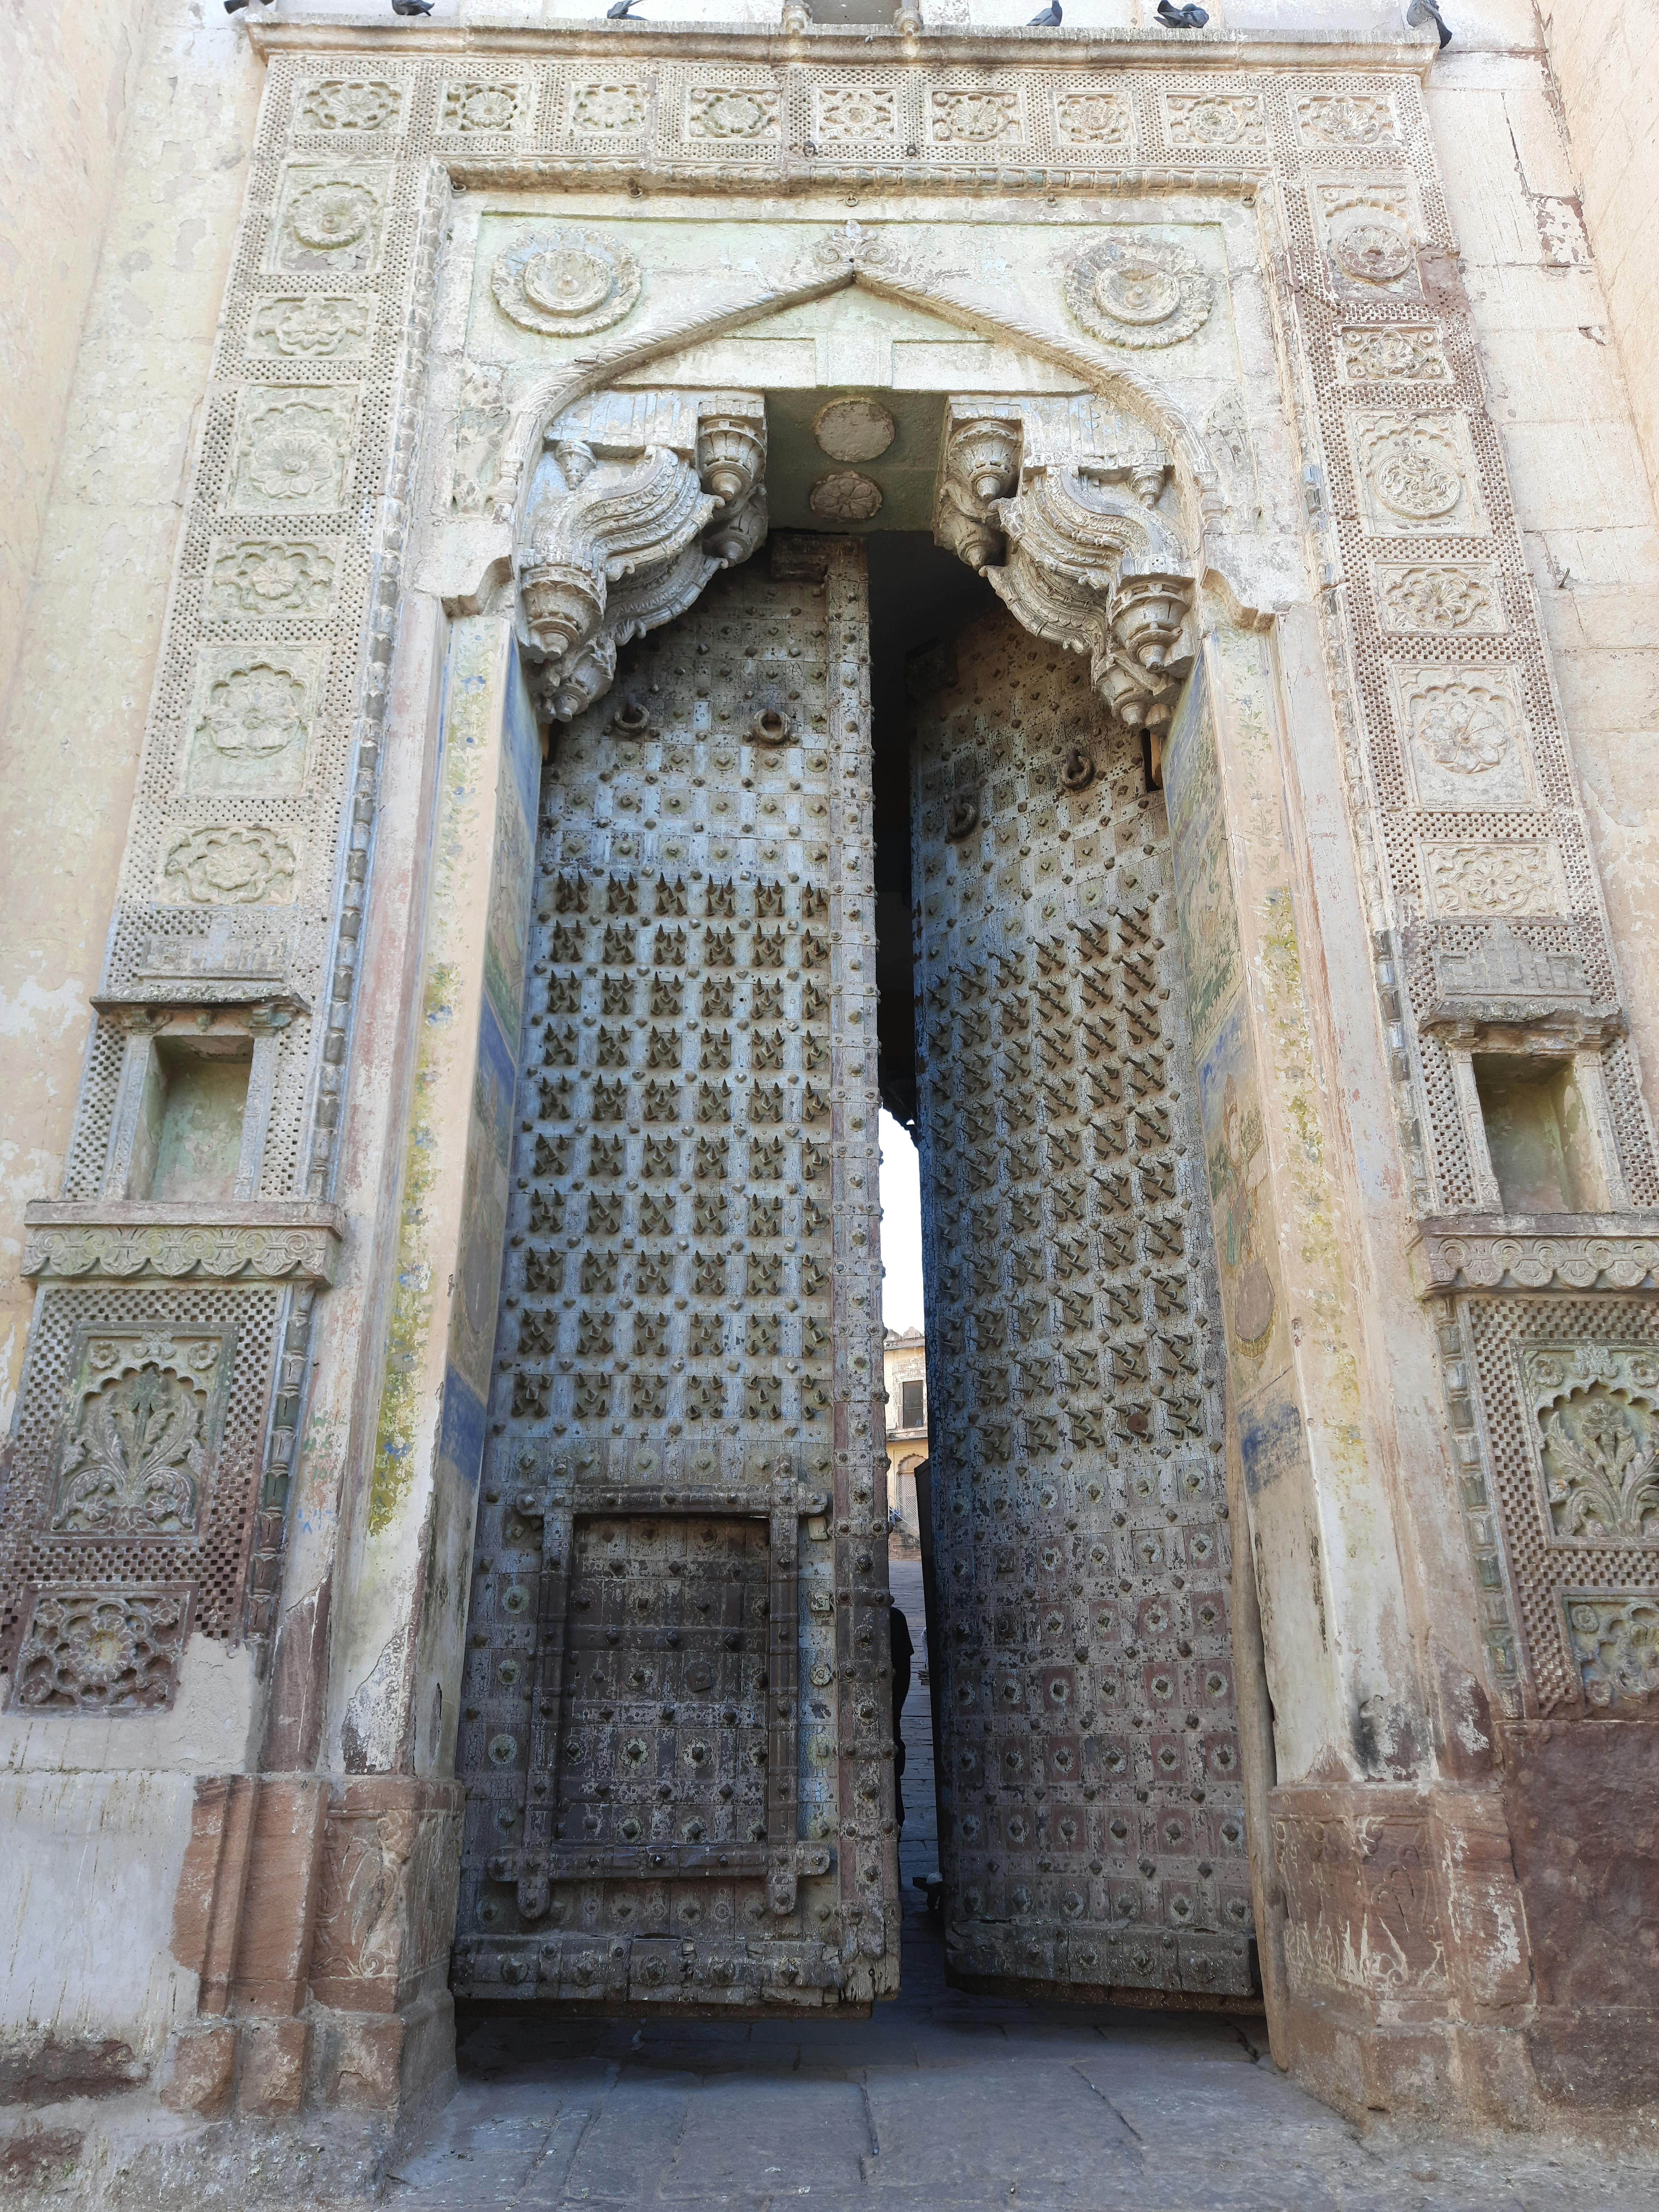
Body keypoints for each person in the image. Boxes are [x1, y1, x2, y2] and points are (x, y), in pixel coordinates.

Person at [889, 1605, 914, 1829]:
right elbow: (905, 1673)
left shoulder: (895, 1618)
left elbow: (904, 1674)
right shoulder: (895, 1617)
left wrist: (895, 1711)